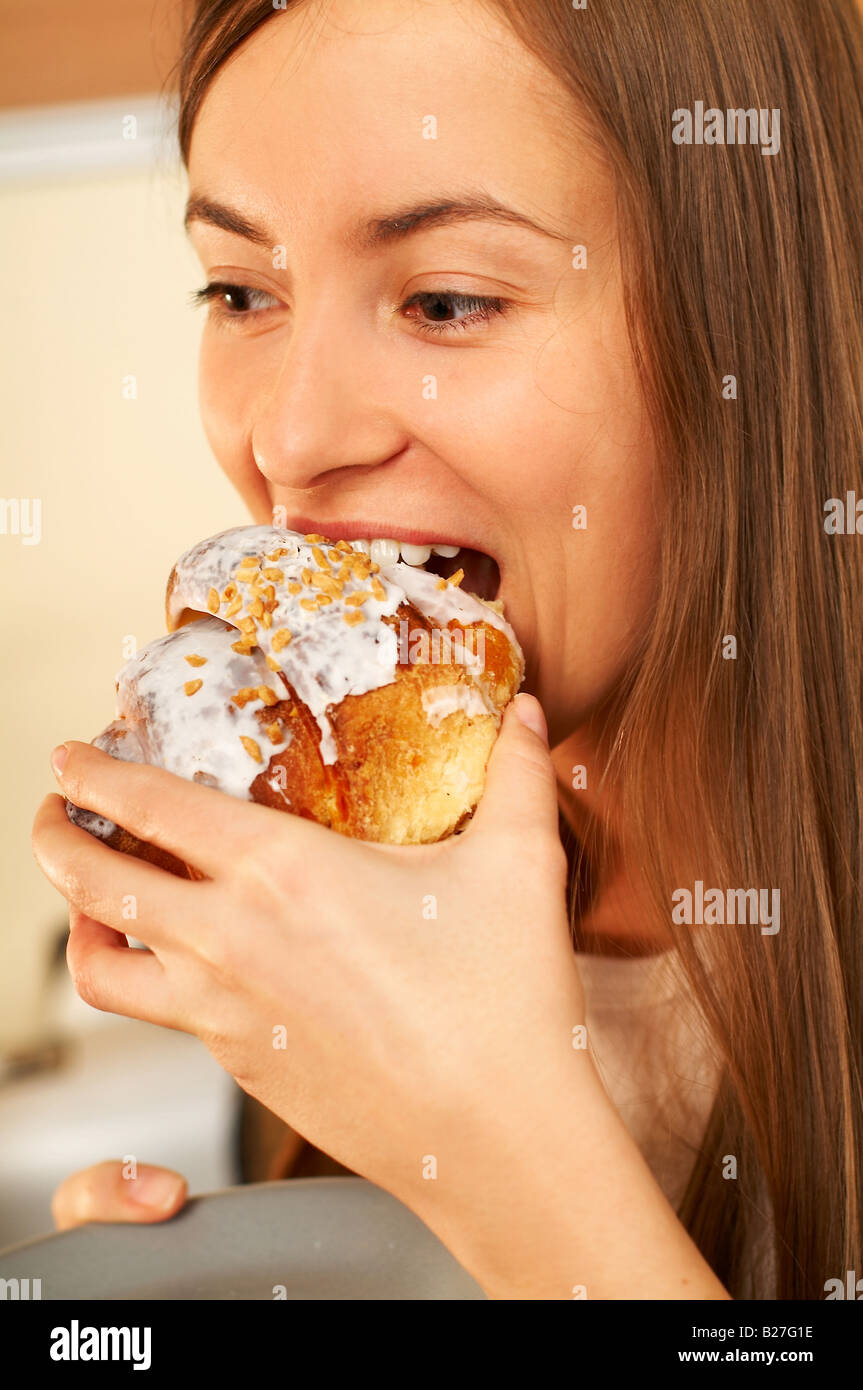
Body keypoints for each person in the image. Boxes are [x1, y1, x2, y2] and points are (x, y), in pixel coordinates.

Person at [32, 0, 863, 1299]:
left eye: (449, 300)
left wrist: (485, 1133)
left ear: (756, 335)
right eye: (241, 288)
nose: (289, 440)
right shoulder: (326, 903)